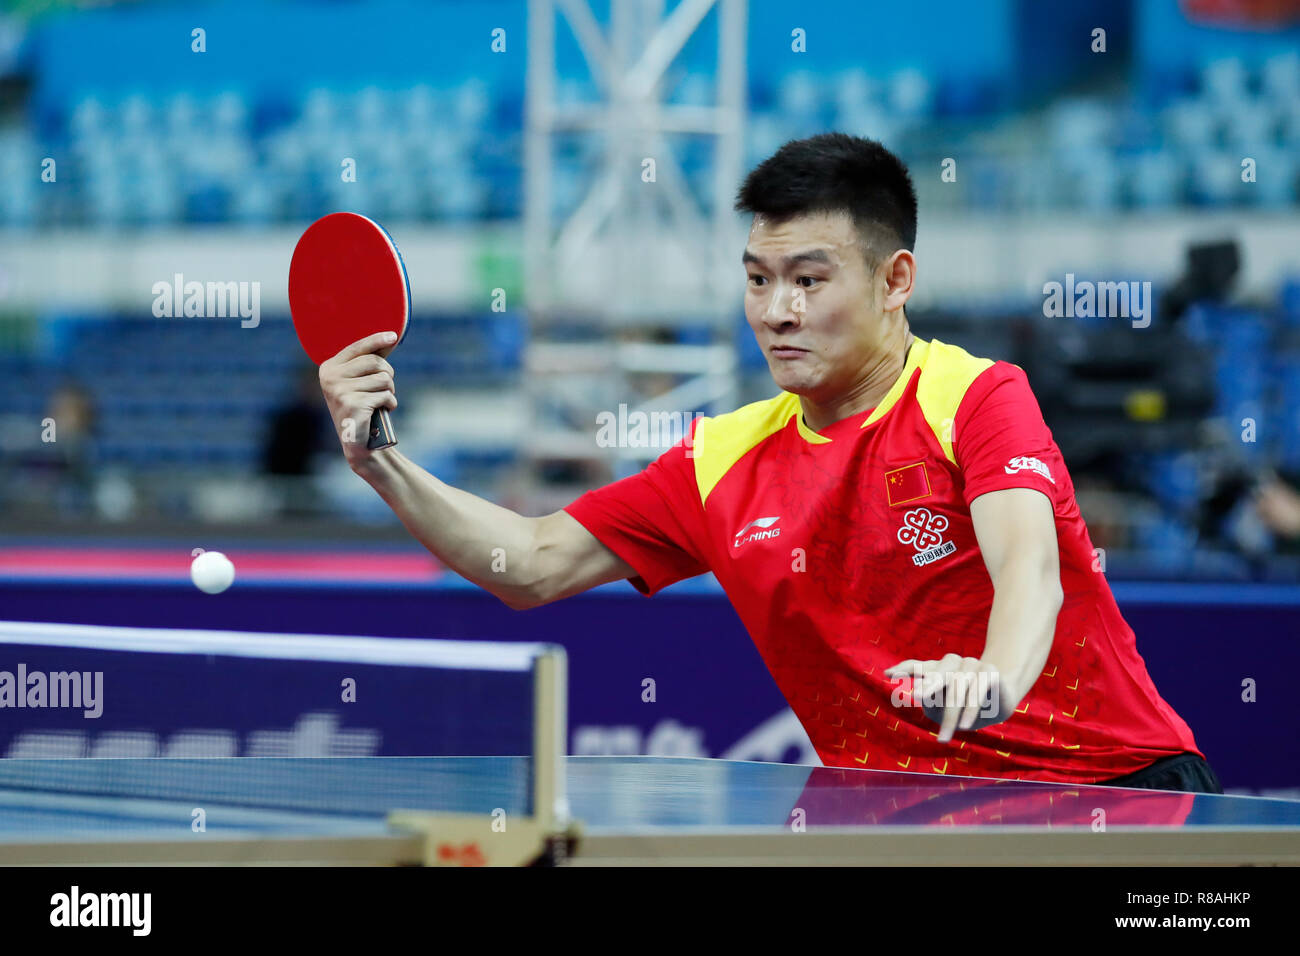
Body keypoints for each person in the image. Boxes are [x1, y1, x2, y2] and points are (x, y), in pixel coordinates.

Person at [317, 133, 1221, 793]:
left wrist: (994, 677)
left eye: (809, 279)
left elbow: (1029, 572)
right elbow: (530, 564)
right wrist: (381, 464)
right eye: (758, 278)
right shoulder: (722, 461)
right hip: (905, 822)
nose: (778, 310)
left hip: (1116, 796)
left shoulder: (976, 399)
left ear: (894, 280)